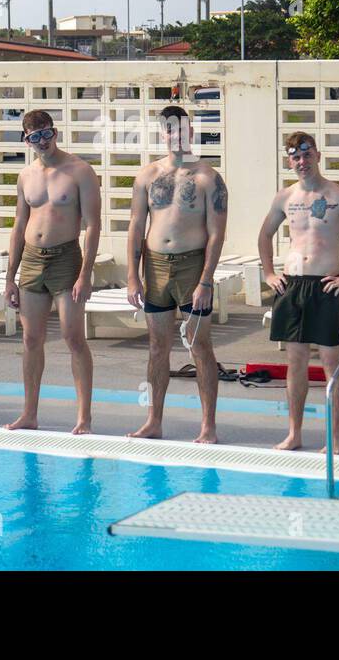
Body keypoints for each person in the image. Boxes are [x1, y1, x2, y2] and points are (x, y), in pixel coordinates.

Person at [257, 131, 339, 451]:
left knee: (331, 361)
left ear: (317, 155)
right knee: (295, 363)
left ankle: (335, 438)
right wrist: (269, 273)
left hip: (325, 287)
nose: (302, 161)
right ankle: (294, 434)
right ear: (290, 161)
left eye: (306, 154)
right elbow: (264, 235)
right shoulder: (284, 198)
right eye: (295, 157)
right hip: (291, 285)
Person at [125, 105, 228, 443]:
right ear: (164, 134)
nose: (176, 137)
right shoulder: (147, 175)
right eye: (170, 131)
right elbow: (137, 226)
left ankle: (208, 425)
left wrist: (206, 280)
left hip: (191, 266)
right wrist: (132, 275)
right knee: (157, 347)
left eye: (182, 131)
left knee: (200, 346)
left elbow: (216, 233)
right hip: (155, 266)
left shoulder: (208, 178)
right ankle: (154, 420)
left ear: (191, 134)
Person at [5, 110, 101, 434]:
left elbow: (93, 224)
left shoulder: (79, 171)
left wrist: (85, 273)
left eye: (47, 134)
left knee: (73, 337)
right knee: (32, 339)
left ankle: (83, 418)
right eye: (35, 137)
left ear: (55, 132)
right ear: (26, 139)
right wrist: (9, 277)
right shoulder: (25, 176)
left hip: (66, 259)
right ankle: (29, 413)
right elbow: (19, 226)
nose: (43, 142)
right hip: (32, 260)